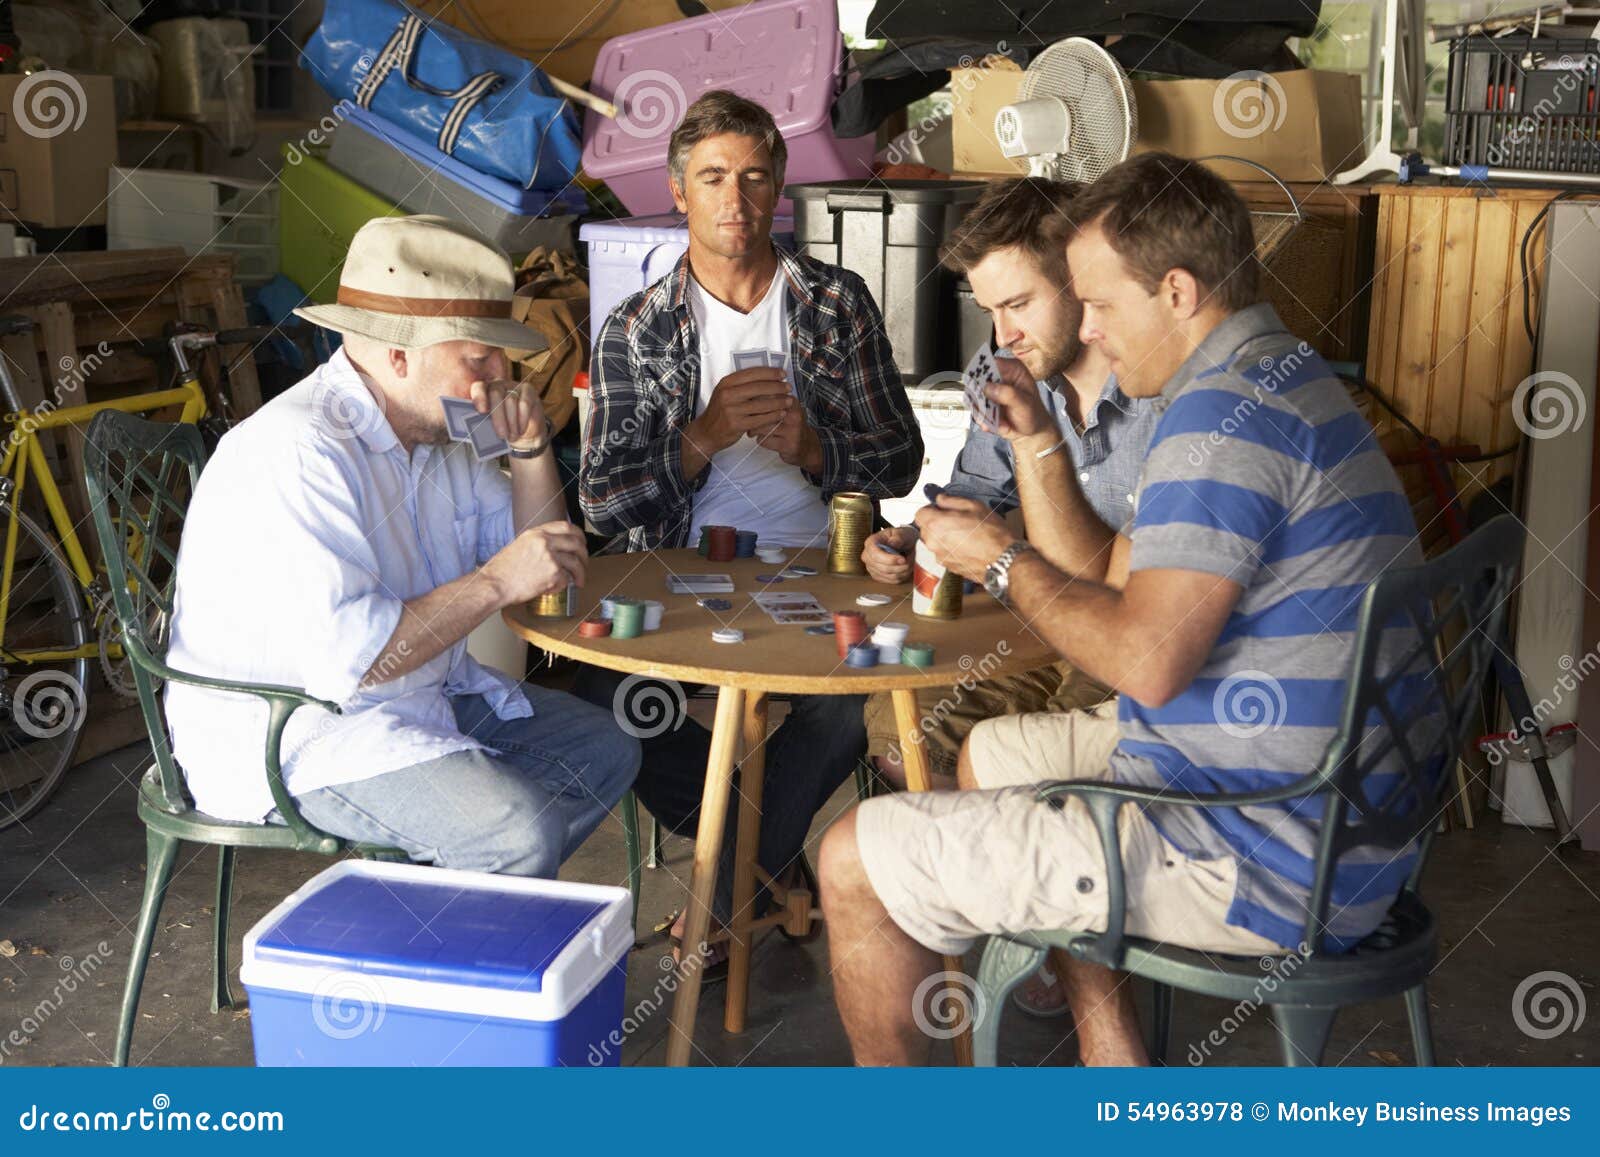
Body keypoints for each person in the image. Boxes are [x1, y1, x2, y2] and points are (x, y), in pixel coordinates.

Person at [819, 152, 1422, 1065]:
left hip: (1265, 845)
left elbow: (1141, 660)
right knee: (990, 748)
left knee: (853, 854)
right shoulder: (1274, 378)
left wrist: (1005, 559)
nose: (1091, 330)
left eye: (1098, 304)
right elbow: (1111, 564)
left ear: (1175, 291)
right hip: (1333, 806)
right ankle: (1114, 1066)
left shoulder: (1218, 425)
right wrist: (1033, 452)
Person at [165, 214, 639, 878]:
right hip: (300, 730)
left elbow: (545, 569)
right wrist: (496, 581)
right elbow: (355, 663)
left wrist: (531, 450)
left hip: (416, 698)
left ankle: (445, 911)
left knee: (606, 746)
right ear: (397, 355)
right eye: (478, 356)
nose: (500, 376)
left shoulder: (433, 435)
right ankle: (446, 942)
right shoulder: (299, 451)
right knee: (518, 830)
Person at [576, 90, 922, 970]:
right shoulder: (639, 326)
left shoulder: (835, 303)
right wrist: (702, 435)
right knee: (590, 694)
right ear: (677, 191)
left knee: (846, 711)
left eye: (756, 177)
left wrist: (814, 445)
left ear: (781, 191)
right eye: (713, 178)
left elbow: (900, 462)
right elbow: (605, 505)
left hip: (823, 568)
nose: (736, 200)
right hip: (684, 572)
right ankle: (763, 860)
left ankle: (724, 890)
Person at [859, 177, 1158, 801]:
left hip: (1133, 641)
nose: (1001, 337)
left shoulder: (1160, 387)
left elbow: (1134, 597)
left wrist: (998, 550)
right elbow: (978, 491)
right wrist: (915, 537)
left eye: (1019, 304)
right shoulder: (1005, 372)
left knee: (1018, 758)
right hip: (1033, 621)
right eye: (988, 310)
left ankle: (1017, 866)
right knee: (899, 730)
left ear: (1083, 282)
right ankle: (975, 875)